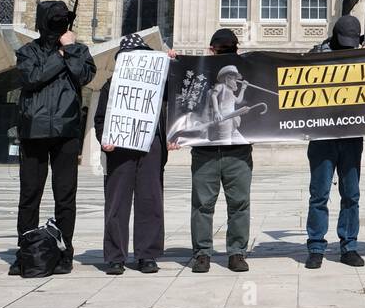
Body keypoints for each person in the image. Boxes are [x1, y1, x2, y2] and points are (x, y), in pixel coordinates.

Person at [11, 0, 96, 275]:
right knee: (30, 195)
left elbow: (84, 76)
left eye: (63, 19)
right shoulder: (27, 52)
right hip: (34, 131)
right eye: (54, 19)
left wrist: (70, 49)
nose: (59, 24)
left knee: (65, 196)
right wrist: (59, 56)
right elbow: (32, 77)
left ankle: (64, 251)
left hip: (66, 130)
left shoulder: (79, 50)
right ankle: (25, 250)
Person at [181, 28, 254, 274]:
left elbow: (242, 103)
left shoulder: (235, 85)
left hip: (237, 148)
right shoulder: (207, 79)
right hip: (207, 150)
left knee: (239, 203)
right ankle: (202, 253)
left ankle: (236, 252)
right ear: (211, 51)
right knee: (203, 203)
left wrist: (243, 88)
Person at [94, 34, 168, 275]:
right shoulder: (110, 84)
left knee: (150, 201)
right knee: (117, 202)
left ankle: (147, 255)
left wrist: (173, 62)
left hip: (151, 147)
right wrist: (104, 140)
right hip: (120, 149)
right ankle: (115, 256)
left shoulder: (159, 83)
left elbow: (179, 97)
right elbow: (100, 119)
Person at [304, 15, 365, 269]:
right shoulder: (316, 54)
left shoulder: (363, 57)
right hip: (322, 135)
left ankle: (349, 245)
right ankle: (316, 246)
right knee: (319, 193)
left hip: (352, 135)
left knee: (351, 194)